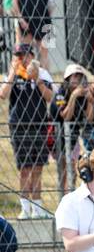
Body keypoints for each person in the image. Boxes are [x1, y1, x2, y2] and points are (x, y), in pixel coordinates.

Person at [1, 43, 52, 218]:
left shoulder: (43, 73)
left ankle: (37, 209)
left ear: (32, 56)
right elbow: (3, 94)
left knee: (38, 168)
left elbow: (49, 96)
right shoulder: (13, 75)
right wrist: (12, 73)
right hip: (19, 126)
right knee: (24, 168)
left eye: (25, 55)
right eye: (18, 56)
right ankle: (25, 208)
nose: (22, 59)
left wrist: (37, 78)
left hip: (38, 125)